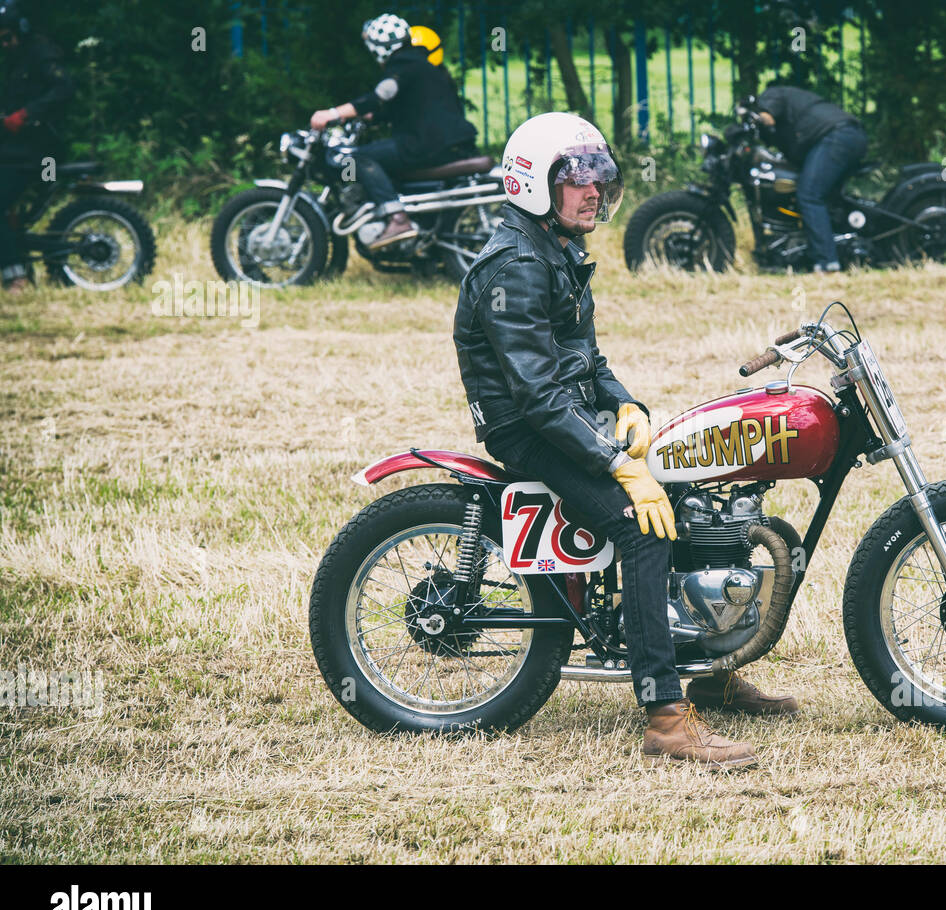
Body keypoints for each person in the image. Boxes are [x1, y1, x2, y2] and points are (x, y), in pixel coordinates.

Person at [453, 112, 796, 770]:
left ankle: (712, 672)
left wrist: (628, 406)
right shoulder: (517, 266)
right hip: (528, 430)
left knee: (694, 499)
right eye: (576, 180)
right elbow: (538, 396)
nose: (593, 193)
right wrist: (616, 461)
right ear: (533, 185)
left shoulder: (556, 248)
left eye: (599, 181)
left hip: (566, 414)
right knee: (645, 528)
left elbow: (588, 360)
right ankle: (666, 716)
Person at [309, 14, 477, 250]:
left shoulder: (403, 64)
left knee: (358, 158)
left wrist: (333, 113)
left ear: (380, 48)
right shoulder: (422, 64)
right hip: (449, 142)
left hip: (427, 144)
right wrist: (369, 116)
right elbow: (405, 107)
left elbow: (380, 96)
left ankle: (397, 217)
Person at [750, 84, 869, 273]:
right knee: (823, 194)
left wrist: (754, 117)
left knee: (809, 194)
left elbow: (768, 117)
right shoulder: (789, 111)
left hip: (838, 136)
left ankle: (827, 263)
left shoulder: (772, 94)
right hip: (843, 136)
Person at [0, 0, 71, 292]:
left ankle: (15, 275)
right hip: (18, 149)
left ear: (21, 30)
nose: (3, 44)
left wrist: (26, 115)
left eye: (7, 37)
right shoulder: (13, 60)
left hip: (41, 151)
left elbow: (64, 88)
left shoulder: (40, 52)